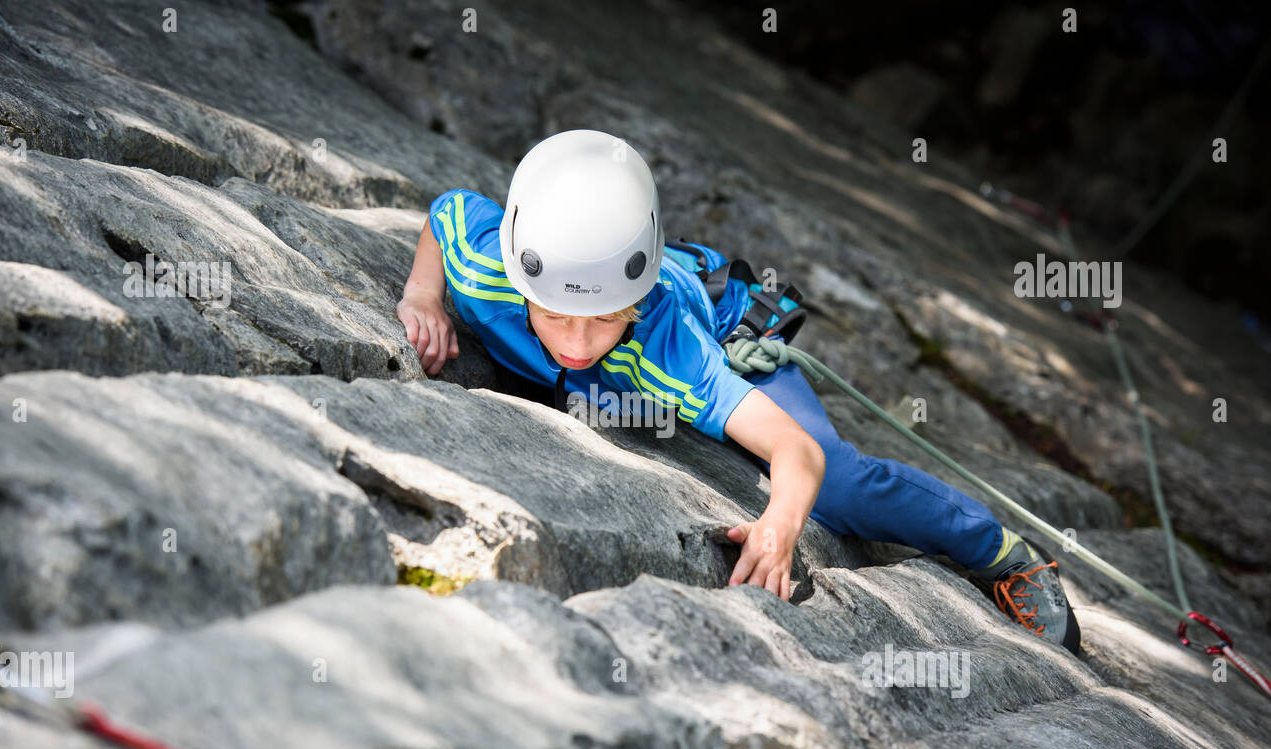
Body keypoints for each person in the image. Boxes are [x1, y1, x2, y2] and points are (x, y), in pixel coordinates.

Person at [397, 129, 1079, 653]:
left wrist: (780, 528)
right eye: (554, 314)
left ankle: (1001, 553)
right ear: (523, 280)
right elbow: (447, 215)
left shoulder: (668, 349)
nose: (575, 342)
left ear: (634, 304)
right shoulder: (491, 270)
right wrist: (423, 296)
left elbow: (796, 453)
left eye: (603, 316)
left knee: (836, 486)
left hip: (721, 325)